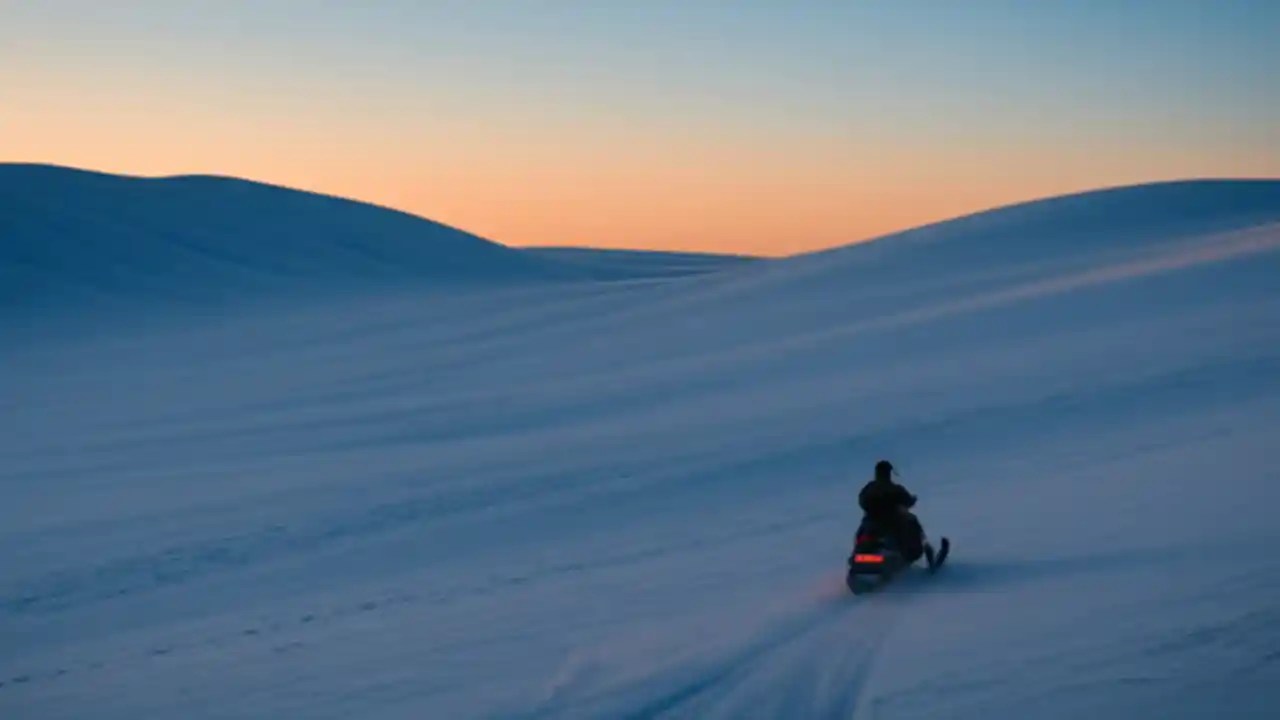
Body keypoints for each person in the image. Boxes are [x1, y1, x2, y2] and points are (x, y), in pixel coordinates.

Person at [857, 460, 930, 565]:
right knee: (911, 522)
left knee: (863, 531)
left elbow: (861, 501)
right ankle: (910, 553)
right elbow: (907, 500)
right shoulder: (894, 488)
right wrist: (910, 501)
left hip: (871, 520)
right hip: (891, 522)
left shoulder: (869, 488)